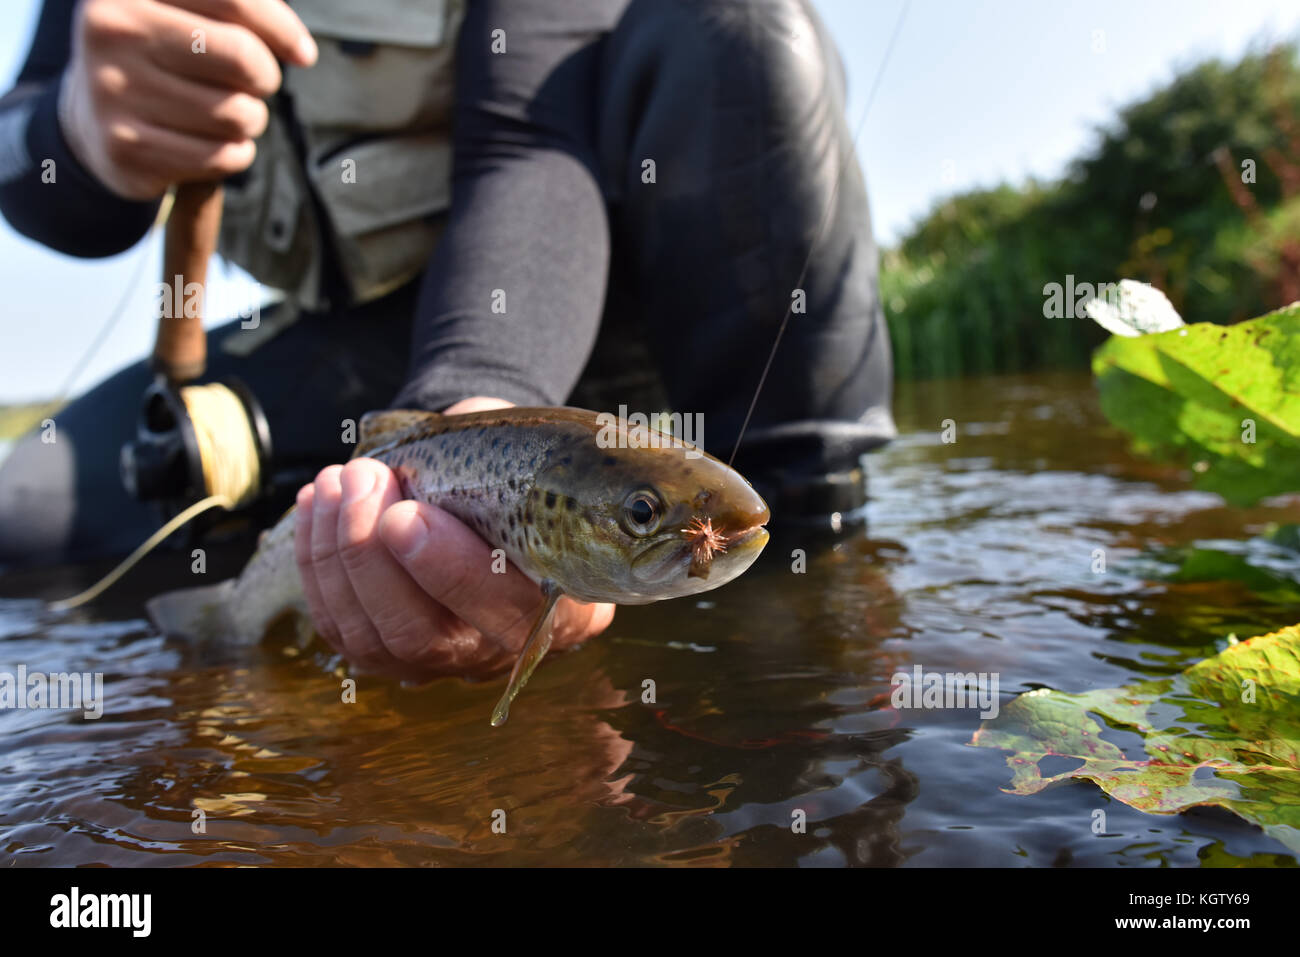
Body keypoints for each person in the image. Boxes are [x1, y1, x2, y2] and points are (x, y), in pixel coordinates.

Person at [0, 0, 896, 682]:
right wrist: (79, 128)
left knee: (738, 32)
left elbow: (528, 140)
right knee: (24, 533)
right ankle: (241, 625)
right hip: (350, 339)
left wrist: (476, 394)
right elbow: (32, 173)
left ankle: (813, 612)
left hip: (590, 292)